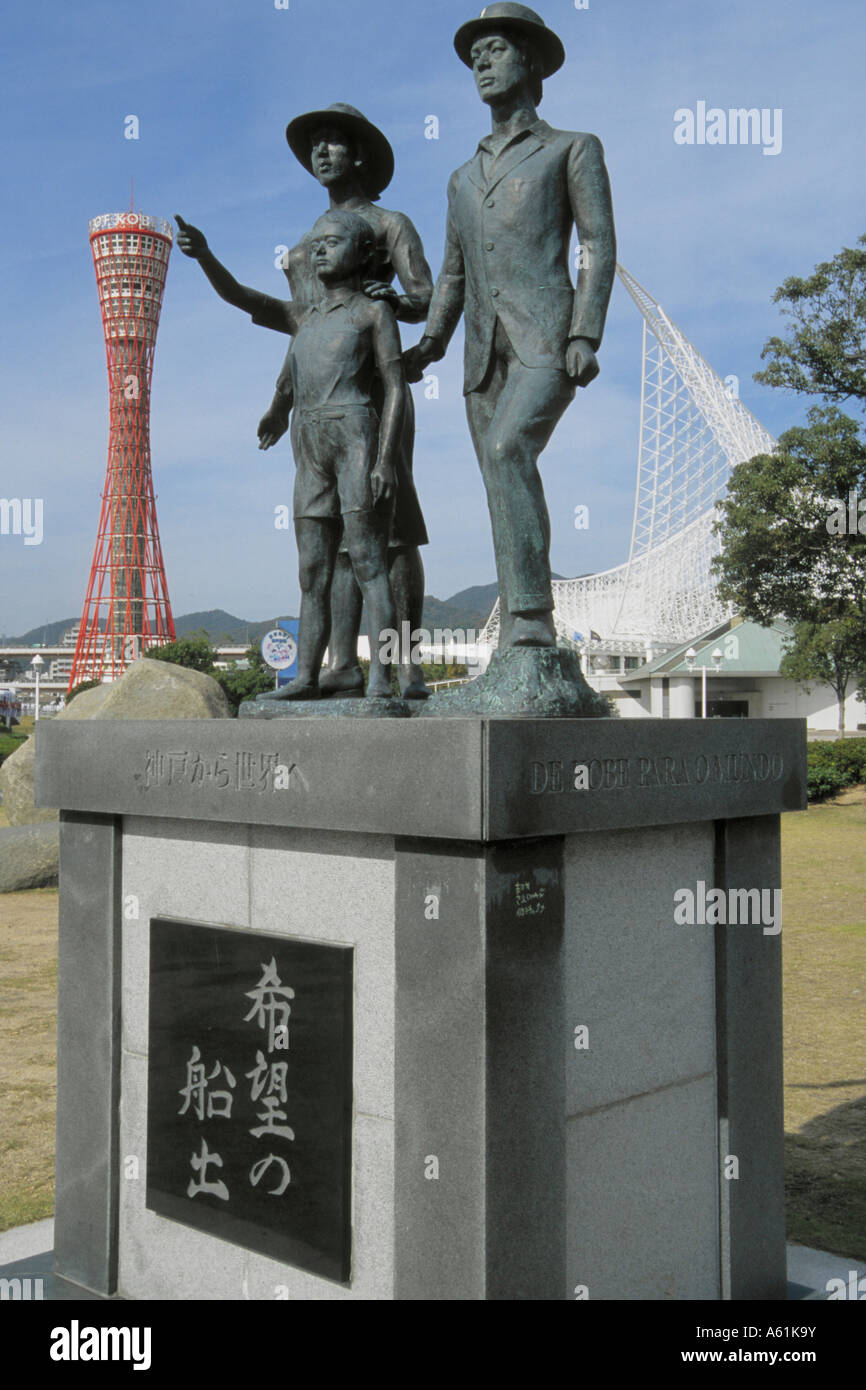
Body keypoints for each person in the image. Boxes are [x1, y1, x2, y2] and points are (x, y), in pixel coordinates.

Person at [405, 4, 616, 650]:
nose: (481, 65)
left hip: (546, 340)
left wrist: (585, 332)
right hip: (479, 359)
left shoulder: (571, 149)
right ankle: (518, 640)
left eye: (494, 50)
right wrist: (432, 344)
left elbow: (598, 245)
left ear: (529, 60)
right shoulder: (461, 179)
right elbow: (453, 274)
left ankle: (529, 620)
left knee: (507, 451)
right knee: (498, 483)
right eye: (475, 58)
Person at [175, 209, 403, 700]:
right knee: (312, 571)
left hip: (356, 433)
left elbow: (395, 388)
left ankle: (384, 679)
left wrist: (385, 460)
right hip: (310, 442)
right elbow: (241, 297)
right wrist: (206, 256)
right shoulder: (303, 316)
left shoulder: (372, 312)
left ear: (362, 254)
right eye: (316, 242)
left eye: (333, 241)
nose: (319, 249)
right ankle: (305, 676)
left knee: (368, 561)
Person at [259, 104, 434, 699]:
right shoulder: (311, 237)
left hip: (372, 396)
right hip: (315, 405)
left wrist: (389, 301)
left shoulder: (390, 224)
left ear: (359, 154)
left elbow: (425, 297)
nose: (321, 153)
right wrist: (282, 401)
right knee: (328, 545)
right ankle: (340, 662)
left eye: (333, 143)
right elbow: (298, 323)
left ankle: (403, 664)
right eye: (315, 146)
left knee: (390, 537)